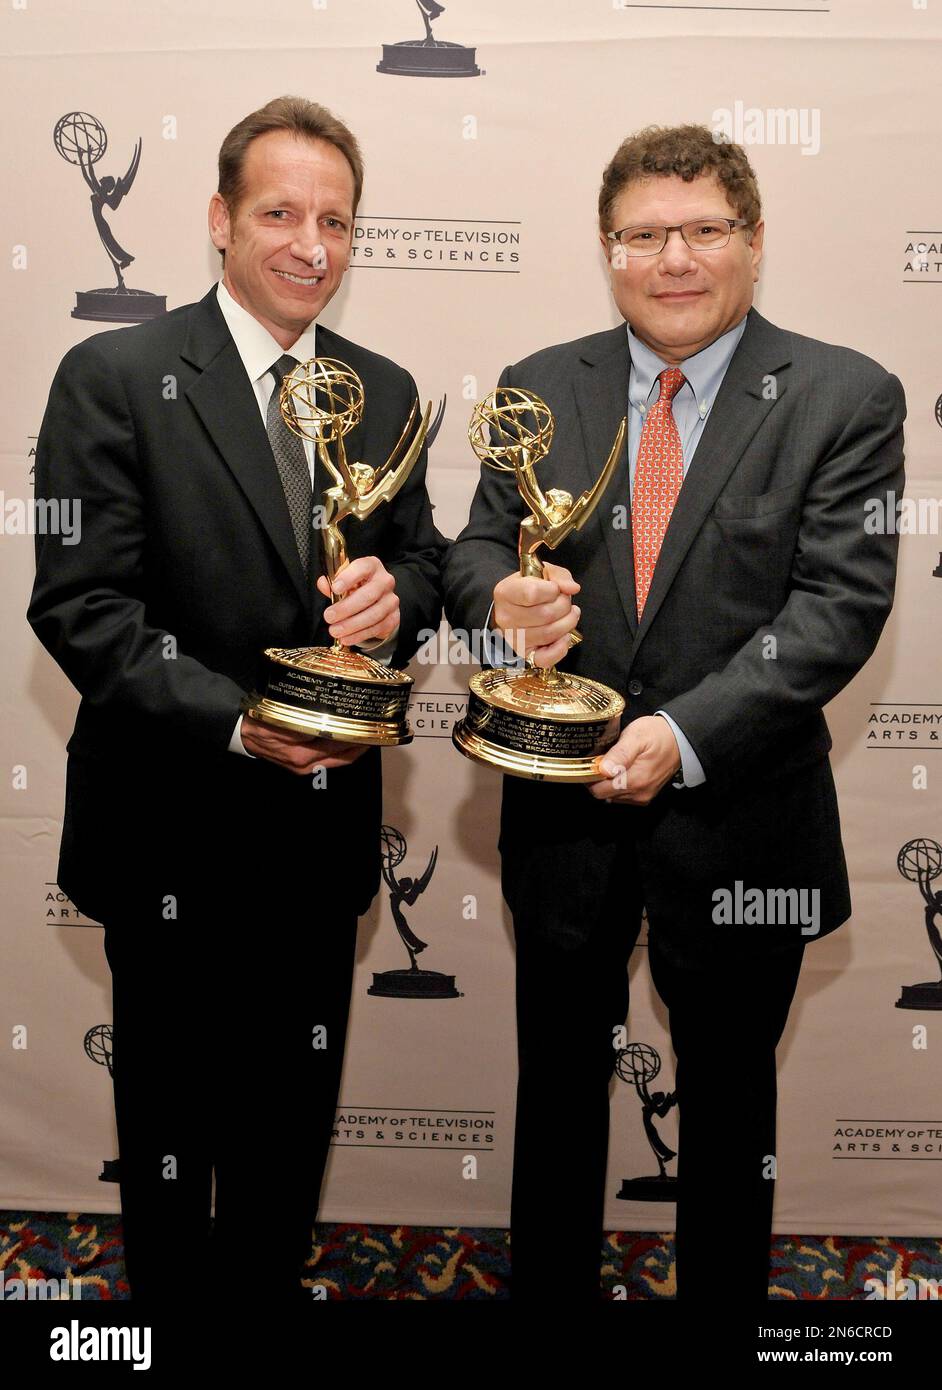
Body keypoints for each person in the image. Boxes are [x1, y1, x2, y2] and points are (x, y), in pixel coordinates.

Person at [443, 123, 906, 1301]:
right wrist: (499, 596)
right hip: (561, 820)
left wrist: (687, 734)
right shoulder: (544, 385)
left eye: (704, 229)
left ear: (753, 242)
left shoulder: (845, 396)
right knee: (555, 1096)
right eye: (643, 235)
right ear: (609, 251)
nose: (674, 258)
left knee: (731, 1110)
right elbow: (477, 548)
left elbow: (835, 611)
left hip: (744, 820)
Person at [27, 95, 444, 1302]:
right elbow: (82, 606)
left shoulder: (383, 386)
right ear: (219, 220)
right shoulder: (116, 373)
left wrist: (392, 597)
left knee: (285, 1137)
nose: (311, 243)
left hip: (318, 843)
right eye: (280, 212)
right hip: (170, 831)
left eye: (337, 220)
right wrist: (236, 720)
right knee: (167, 1142)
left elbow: (420, 562)